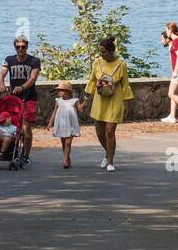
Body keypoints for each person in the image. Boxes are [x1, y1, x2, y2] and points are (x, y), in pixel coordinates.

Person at [85, 36, 133, 171]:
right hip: (100, 100)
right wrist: (85, 100)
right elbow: (92, 81)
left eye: (104, 51)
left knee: (110, 132)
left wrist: (127, 103)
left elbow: (125, 85)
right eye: (100, 51)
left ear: (111, 50)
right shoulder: (97, 62)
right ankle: (108, 152)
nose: (101, 54)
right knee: (100, 133)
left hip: (115, 100)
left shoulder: (121, 64)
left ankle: (111, 161)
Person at [0, 36, 41, 163]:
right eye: (18, 47)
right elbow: (2, 73)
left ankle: (26, 155)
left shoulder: (34, 61)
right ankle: (10, 151)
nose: (20, 49)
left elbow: (33, 78)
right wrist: (1, 85)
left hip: (29, 98)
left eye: (23, 46)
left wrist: (22, 87)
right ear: (14, 47)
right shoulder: (9, 60)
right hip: (14, 99)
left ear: (27, 46)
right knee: (11, 125)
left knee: (26, 126)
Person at [48, 81, 82, 168]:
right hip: (61, 124)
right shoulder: (58, 101)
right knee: (63, 143)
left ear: (68, 92)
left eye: (62, 90)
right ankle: (67, 158)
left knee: (68, 142)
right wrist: (50, 123)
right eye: (59, 90)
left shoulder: (74, 100)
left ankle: (65, 160)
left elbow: (81, 110)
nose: (60, 92)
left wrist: (85, 101)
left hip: (71, 124)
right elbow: (54, 112)